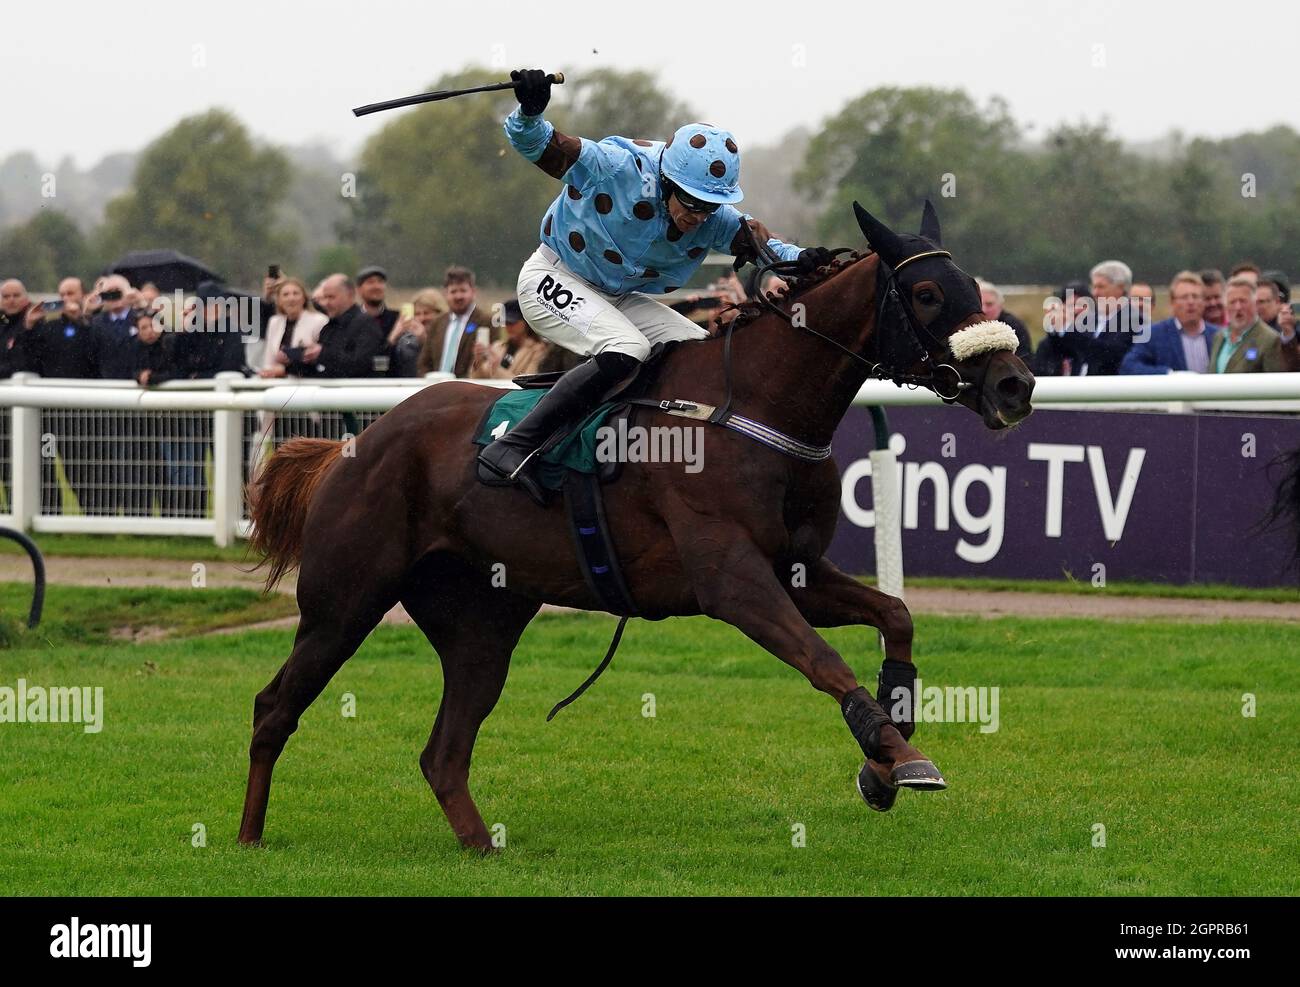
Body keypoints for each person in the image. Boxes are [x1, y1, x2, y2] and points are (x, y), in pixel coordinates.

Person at [477, 67, 833, 499]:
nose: (697, 216)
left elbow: (765, 244)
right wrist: (530, 111)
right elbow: (538, 143)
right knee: (628, 349)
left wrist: (805, 258)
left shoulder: (713, 216)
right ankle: (513, 446)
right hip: (551, 276)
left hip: (617, 297)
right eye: (691, 201)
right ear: (666, 179)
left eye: (709, 206)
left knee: (703, 353)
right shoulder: (613, 167)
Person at [1120, 271, 1217, 374]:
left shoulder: (1217, 335)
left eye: (1195, 296)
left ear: (1203, 301)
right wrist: (1168, 374)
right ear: (1172, 302)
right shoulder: (1154, 334)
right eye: (1184, 297)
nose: (1191, 302)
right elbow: (1129, 367)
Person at [290, 273, 386, 378]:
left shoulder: (367, 325)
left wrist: (322, 354)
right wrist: (294, 361)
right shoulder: (328, 328)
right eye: (324, 297)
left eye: (331, 297)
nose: (326, 303)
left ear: (350, 295)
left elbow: (360, 366)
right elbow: (321, 370)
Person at [1210, 275, 1300, 373]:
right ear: (1225, 305)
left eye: (1243, 301)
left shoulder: (1270, 339)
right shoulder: (1219, 337)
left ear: (1254, 303)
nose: (1238, 307)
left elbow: (1275, 383)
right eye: (1232, 302)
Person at [415, 266, 491, 376]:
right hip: (437, 388)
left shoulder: (486, 321)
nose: (458, 296)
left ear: (473, 292)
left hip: (469, 389)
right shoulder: (437, 322)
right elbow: (424, 363)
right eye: (453, 291)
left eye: (463, 291)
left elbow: (489, 363)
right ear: (446, 293)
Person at [260, 277, 328, 379]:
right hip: (277, 383)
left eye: (295, 293)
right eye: (285, 295)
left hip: (307, 381)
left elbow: (323, 359)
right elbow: (269, 359)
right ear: (279, 301)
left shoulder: (320, 320)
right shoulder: (274, 322)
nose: (291, 298)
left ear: (304, 298)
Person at [469, 299, 552, 379]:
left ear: (526, 322)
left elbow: (528, 384)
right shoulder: (497, 347)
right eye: (505, 322)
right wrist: (478, 361)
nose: (508, 327)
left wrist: (496, 368)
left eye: (512, 323)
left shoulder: (538, 351)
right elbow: (479, 379)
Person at [387, 288, 446, 377]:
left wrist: (424, 341)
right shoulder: (407, 339)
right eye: (417, 314)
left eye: (426, 313)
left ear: (439, 313)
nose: (422, 318)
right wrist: (393, 337)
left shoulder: (448, 333)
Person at [977, 279, 1032, 357]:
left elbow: (1025, 358)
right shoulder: (970, 326)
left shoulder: (1014, 326)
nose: (984, 309)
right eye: (980, 304)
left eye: (989, 304)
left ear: (1000, 305)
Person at [356, 265, 399, 337]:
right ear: (359, 290)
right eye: (370, 282)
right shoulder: (349, 321)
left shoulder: (397, 320)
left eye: (380, 282)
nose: (376, 286)